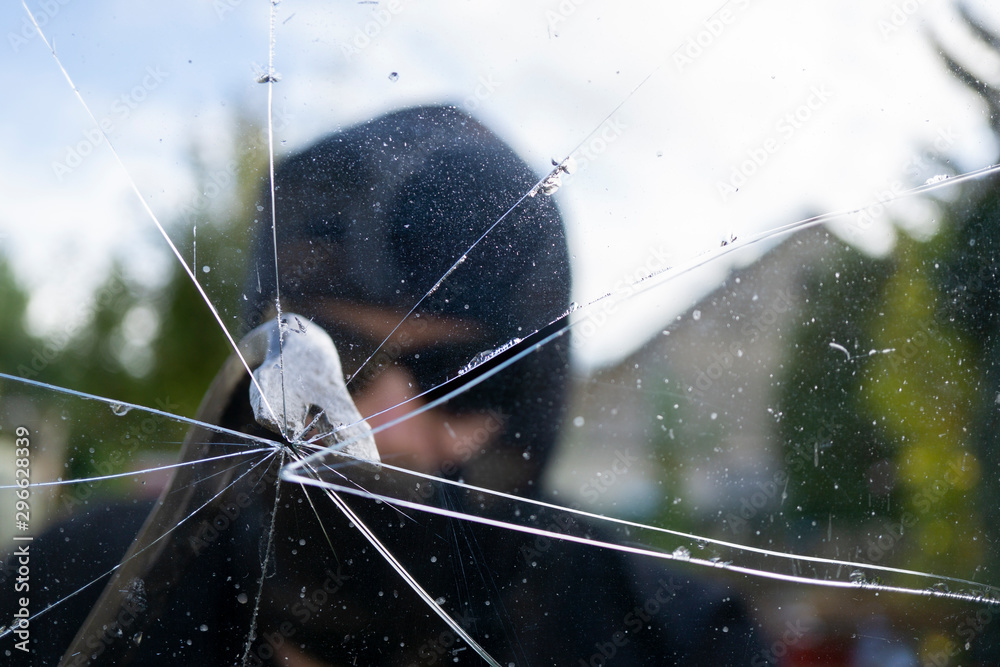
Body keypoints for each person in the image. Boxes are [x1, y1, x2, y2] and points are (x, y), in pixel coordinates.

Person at [4, 105, 763, 665]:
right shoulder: (62, 601)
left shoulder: (669, 636)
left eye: (461, 379)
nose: (387, 429)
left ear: (533, 397)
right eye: (334, 358)